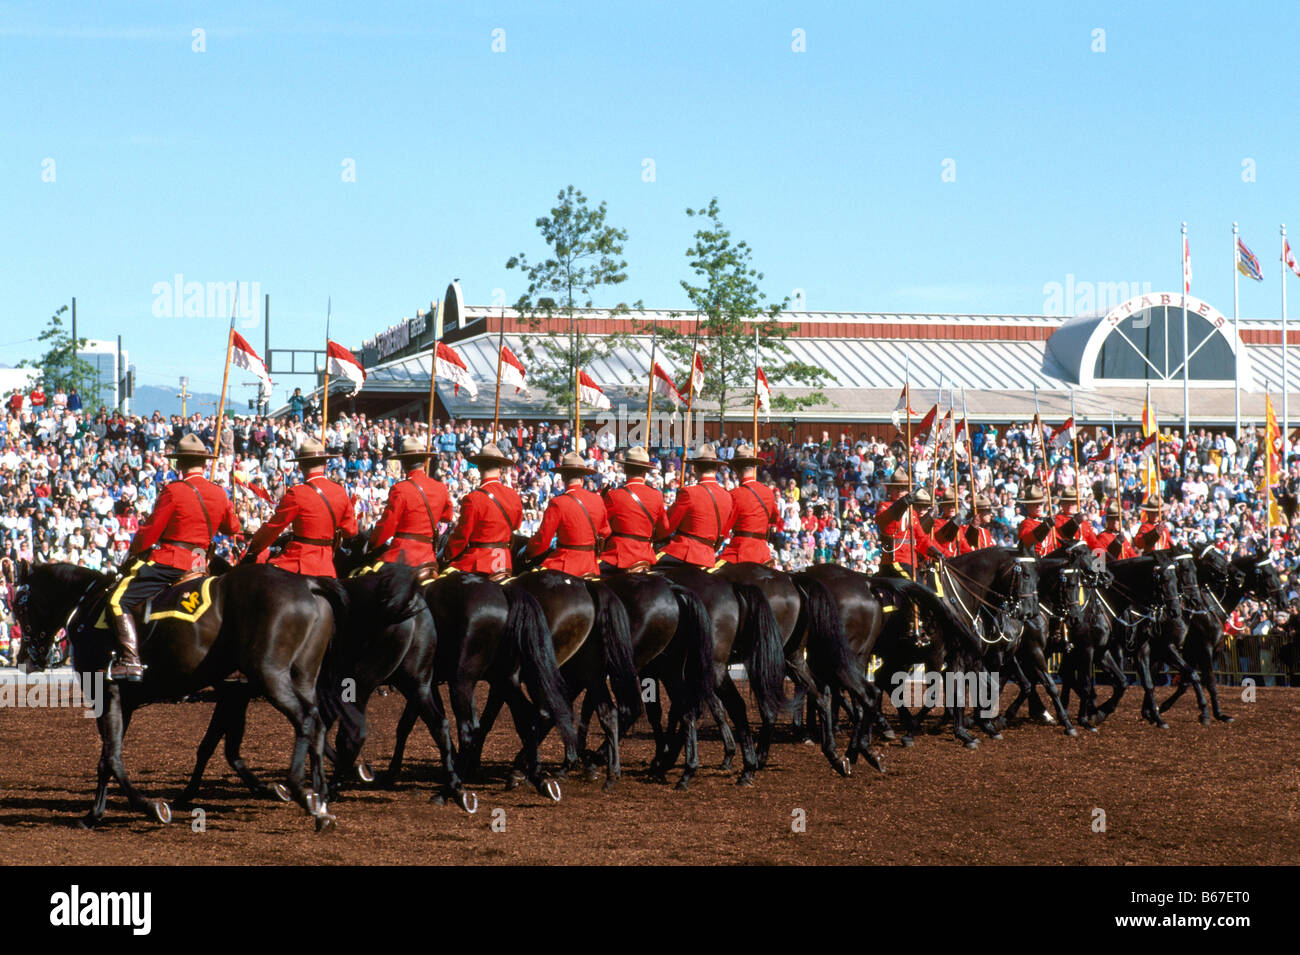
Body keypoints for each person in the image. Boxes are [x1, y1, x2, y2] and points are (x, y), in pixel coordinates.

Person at [111, 434, 239, 681]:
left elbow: (151, 531)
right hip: (201, 564)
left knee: (118, 600)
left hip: (171, 561)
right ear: (203, 464)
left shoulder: (174, 490)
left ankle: (130, 660)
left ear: (179, 464)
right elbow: (232, 528)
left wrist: (133, 552)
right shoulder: (219, 492)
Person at [242, 436, 357, 576]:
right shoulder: (340, 491)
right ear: (325, 465)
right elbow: (351, 531)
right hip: (327, 568)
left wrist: (254, 548)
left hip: (298, 563)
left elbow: (273, 529)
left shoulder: (297, 493)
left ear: (300, 466)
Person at [366, 436, 453, 570]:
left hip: (401, 555)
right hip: (428, 558)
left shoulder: (400, 489)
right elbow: (447, 517)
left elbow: (388, 525)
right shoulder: (441, 488)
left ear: (403, 464)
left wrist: (372, 543)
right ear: (425, 462)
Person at [524, 451, 610, 577]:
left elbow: (543, 540)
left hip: (565, 565)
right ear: (582, 478)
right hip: (591, 565)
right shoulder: (598, 499)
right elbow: (605, 531)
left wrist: (528, 551)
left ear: (563, 478)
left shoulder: (558, 502)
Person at [443, 443, 522, 577]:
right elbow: (516, 525)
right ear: (501, 468)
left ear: (479, 468)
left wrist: (447, 554)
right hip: (505, 564)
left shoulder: (473, 498)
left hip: (478, 563)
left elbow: (462, 536)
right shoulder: (513, 495)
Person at [659, 445, 734, 568]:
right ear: (716, 469)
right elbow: (723, 534)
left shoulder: (689, 492)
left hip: (684, 553)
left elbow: (667, 526)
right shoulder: (728, 496)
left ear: (695, 468)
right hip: (709, 557)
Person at [600, 446, 668, 574]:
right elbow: (664, 529)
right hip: (646, 556)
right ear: (646, 472)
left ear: (625, 470)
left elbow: (602, 529)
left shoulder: (614, 495)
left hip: (618, 557)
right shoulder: (657, 495)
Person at [717, 444, 780, 566]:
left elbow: (724, 529)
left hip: (740, 552)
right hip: (763, 555)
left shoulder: (734, 494)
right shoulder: (768, 492)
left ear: (735, 469)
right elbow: (774, 518)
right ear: (754, 467)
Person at [874, 474, 937, 578]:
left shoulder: (912, 513)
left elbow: (921, 538)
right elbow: (882, 521)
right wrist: (901, 504)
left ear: (908, 491)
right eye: (896, 488)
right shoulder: (884, 506)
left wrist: (934, 551)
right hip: (894, 560)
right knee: (917, 588)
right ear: (890, 490)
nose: (899, 491)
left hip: (910, 561)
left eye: (903, 489)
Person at [928, 487, 961, 558]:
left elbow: (964, 546)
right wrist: (949, 556)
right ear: (943, 506)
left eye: (954, 505)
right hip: (944, 560)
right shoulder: (936, 523)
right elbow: (936, 542)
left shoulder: (961, 526)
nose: (952, 507)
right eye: (948, 505)